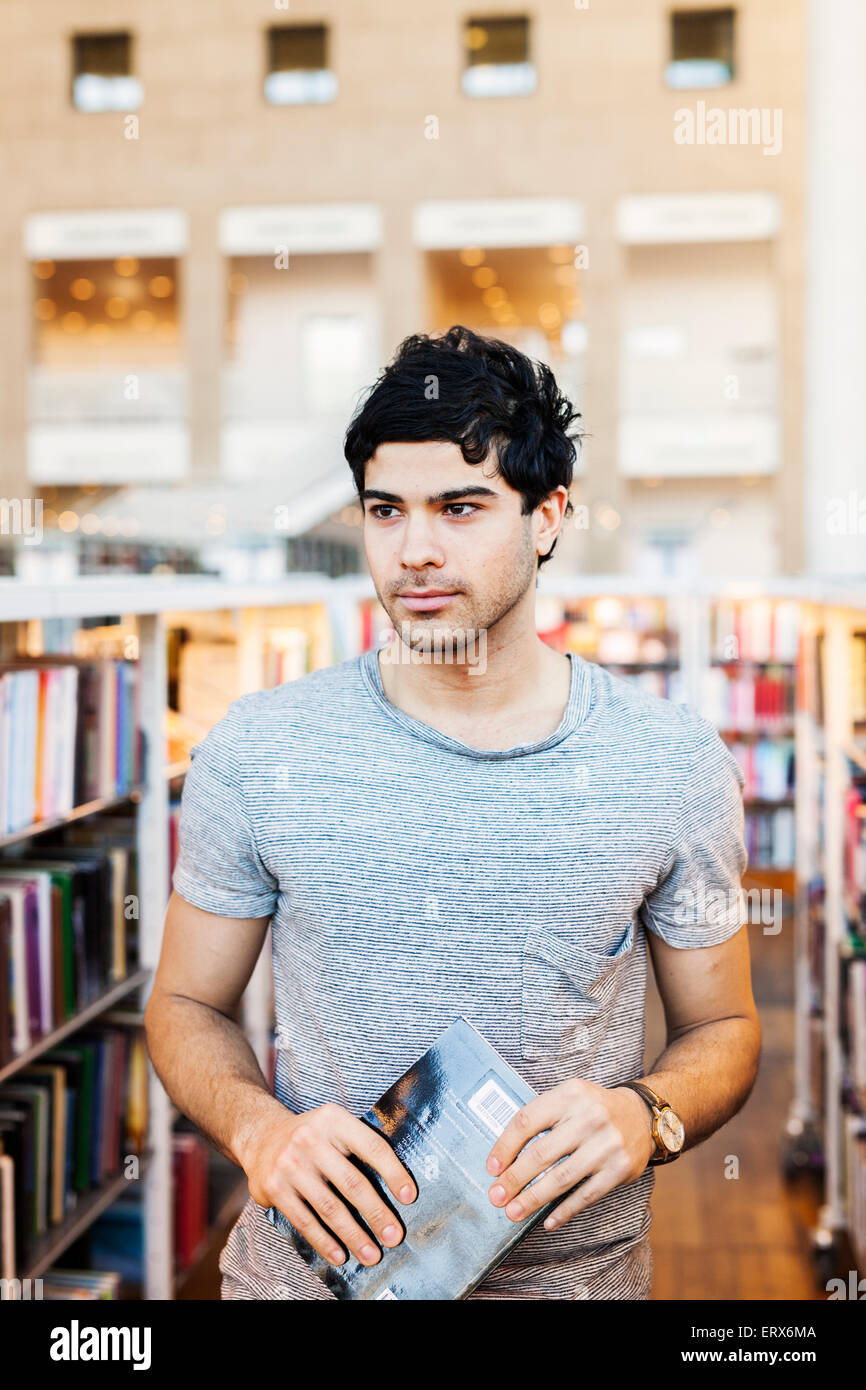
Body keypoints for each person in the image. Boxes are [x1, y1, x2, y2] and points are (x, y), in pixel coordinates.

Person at [144, 324, 760, 1301]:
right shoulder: (260, 749)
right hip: (304, 1282)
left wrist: (648, 1114)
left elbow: (723, 1027)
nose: (415, 550)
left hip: (572, 1285)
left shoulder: (668, 761)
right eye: (385, 511)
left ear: (548, 516)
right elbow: (181, 1007)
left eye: (460, 507)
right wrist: (260, 1132)